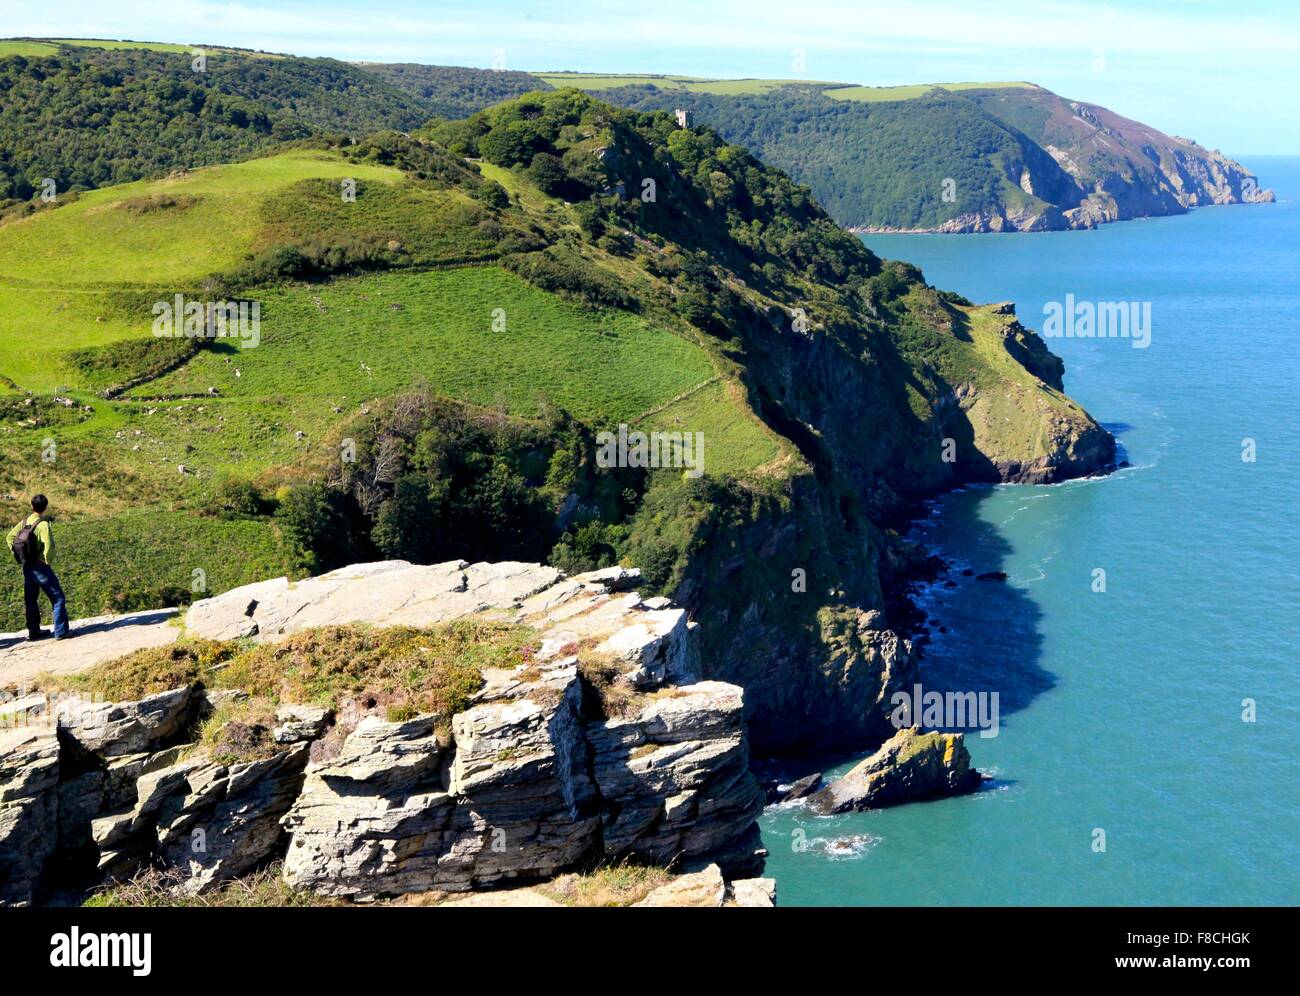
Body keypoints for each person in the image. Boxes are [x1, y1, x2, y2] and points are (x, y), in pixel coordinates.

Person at [7, 494, 71, 641]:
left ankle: (34, 632)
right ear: (45, 508)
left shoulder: (24, 522)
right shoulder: (43, 525)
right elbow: (48, 546)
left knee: (30, 600)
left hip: (27, 566)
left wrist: (18, 554)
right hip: (40, 566)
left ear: (32, 506)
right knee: (58, 598)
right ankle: (61, 632)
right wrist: (47, 561)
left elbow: (9, 537)